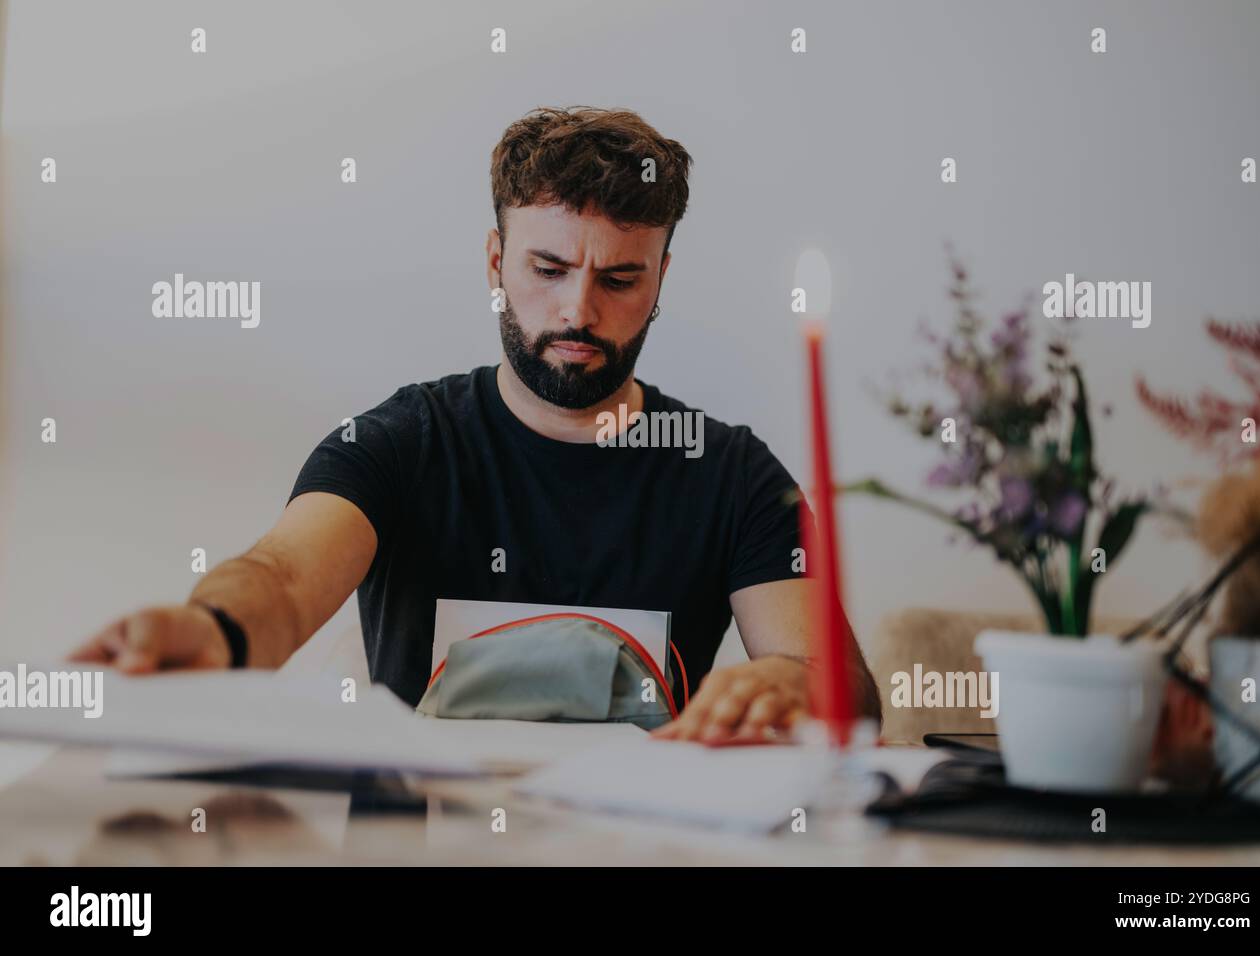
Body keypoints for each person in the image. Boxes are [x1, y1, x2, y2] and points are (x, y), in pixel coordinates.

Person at [71, 106, 880, 743]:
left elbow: (845, 695)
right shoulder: (399, 443)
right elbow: (281, 576)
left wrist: (793, 685)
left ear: (662, 277)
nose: (579, 310)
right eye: (548, 269)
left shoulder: (730, 474)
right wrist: (214, 630)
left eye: (622, 278)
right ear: (496, 263)